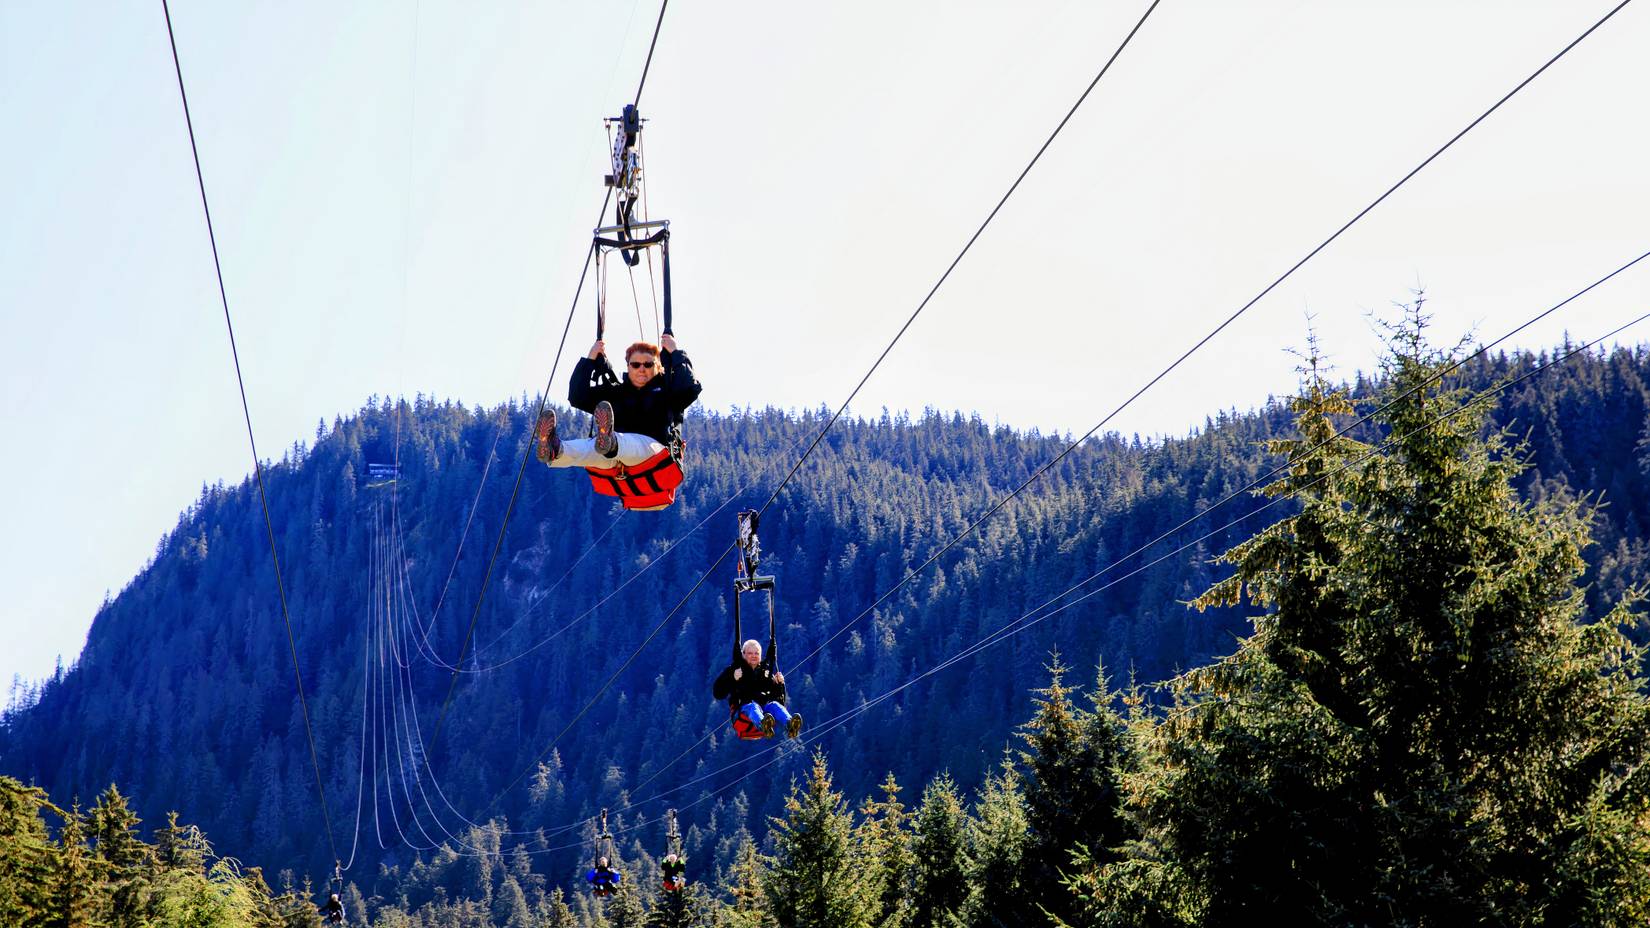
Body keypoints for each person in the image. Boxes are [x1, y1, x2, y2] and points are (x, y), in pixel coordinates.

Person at [536, 334, 702, 469]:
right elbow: (578, 397)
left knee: (624, 444)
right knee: (589, 448)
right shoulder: (616, 393)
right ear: (628, 367)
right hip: (614, 458)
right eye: (636, 364)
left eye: (648, 364)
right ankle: (556, 450)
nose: (642, 369)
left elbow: (690, 389)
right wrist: (590, 360)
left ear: (658, 367)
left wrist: (675, 352)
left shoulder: (667, 393)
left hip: (654, 455)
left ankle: (611, 442)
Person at [712, 640, 803, 739]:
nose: (753, 656)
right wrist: (732, 679)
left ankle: (790, 724)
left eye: (756, 653)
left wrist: (780, 685)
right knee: (753, 706)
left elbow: (779, 700)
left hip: (764, 712)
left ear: (760, 655)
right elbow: (718, 693)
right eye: (750, 653)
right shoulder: (734, 670)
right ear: (743, 654)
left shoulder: (765, 673)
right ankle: (762, 725)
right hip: (743, 713)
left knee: (775, 705)